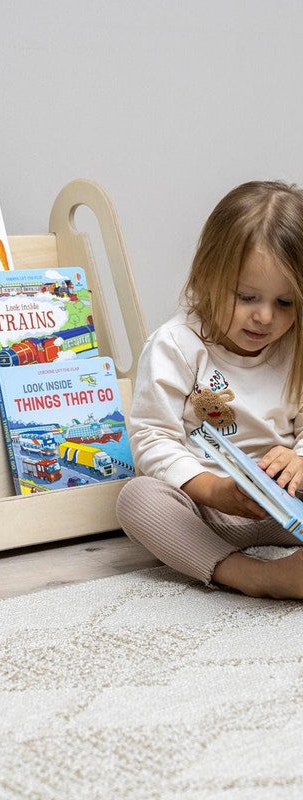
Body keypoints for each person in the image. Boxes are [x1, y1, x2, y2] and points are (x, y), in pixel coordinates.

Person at [116, 180, 303, 599]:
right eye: (246, 296)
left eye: (286, 303)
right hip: (207, 510)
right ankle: (252, 576)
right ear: (206, 276)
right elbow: (152, 437)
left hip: (289, 508)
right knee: (137, 498)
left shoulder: (296, 347)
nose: (265, 317)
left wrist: (298, 459)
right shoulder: (177, 344)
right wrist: (216, 492)